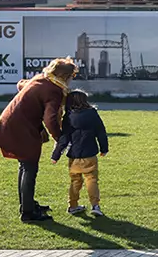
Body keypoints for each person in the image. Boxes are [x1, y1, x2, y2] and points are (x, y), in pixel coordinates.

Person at [0, 58, 78, 221]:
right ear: (65, 76)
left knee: (25, 167)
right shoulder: (54, 90)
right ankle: (28, 213)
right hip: (21, 130)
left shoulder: (42, 78)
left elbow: (21, 84)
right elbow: (50, 119)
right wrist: (60, 139)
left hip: (11, 124)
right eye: (72, 76)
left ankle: (27, 204)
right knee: (29, 168)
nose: (72, 79)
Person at [52, 89, 110, 218]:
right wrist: (104, 148)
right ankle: (95, 205)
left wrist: (56, 155)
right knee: (92, 180)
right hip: (90, 153)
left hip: (74, 155)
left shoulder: (68, 117)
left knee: (75, 181)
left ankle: (72, 205)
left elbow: (64, 137)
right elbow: (101, 132)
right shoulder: (92, 114)